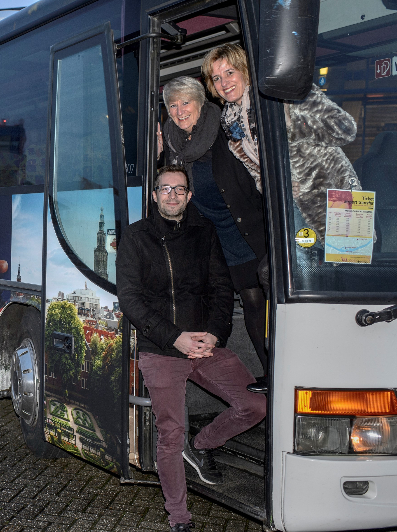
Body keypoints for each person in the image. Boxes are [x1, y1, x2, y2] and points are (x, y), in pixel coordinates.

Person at [117, 165, 266, 532]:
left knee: (255, 405)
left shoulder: (205, 232)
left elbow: (220, 287)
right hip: (161, 348)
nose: (173, 195)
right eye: (166, 189)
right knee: (170, 435)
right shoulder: (135, 237)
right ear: (154, 195)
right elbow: (131, 301)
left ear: (189, 196)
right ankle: (179, 518)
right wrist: (174, 338)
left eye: (179, 189)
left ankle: (201, 444)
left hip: (203, 343)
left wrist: (213, 334)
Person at [158, 73, 269, 393]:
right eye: (173, 105)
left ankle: (274, 371)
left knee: (256, 301)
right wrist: (156, 154)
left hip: (240, 228)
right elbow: (168, 187)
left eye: (186, 103)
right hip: (209, 236)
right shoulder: (172, 140)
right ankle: (220, 375)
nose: (179, 111)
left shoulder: (223, 128)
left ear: (200, 102)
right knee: (221, 302)